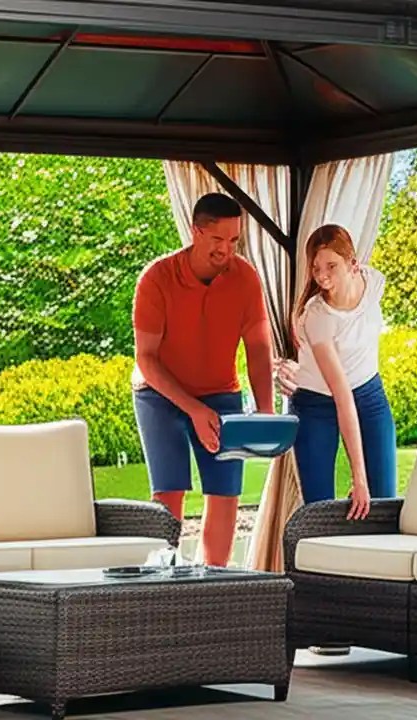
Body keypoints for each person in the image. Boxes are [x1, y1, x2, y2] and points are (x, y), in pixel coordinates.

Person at [131, 193, 275, 567]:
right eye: (217, 239)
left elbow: (258, 347)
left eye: (233, 240)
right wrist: (194, 409)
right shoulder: (157, 278)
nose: (226, 249)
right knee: (170, 491)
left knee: (225, 492)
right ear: (196, 231)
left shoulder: (245, 278)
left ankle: (215, 579)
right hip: (159, 393)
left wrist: (265, 410)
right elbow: (146, 359)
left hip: (221, 392)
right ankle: (163, 577)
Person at [290, 224, 396, 520]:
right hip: (316, 402)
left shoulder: (374, 282)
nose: (322, 276)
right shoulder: (318, 317)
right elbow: (342, 395)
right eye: (316, 268)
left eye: (331, 266)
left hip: (370, 393)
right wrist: (358, 477)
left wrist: (364, 481)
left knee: (384, 503)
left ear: (353, 264)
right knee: (319, 512)